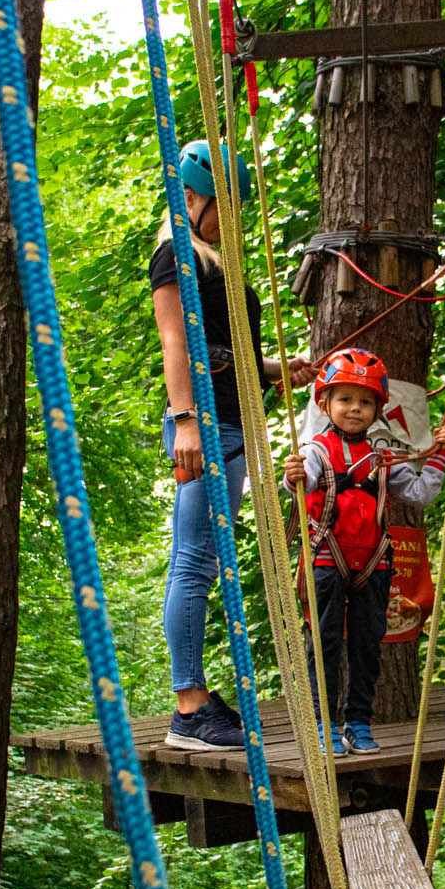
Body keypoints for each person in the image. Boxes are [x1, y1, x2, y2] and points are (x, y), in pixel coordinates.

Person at [153, 139, 314, 750]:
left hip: (230, 423)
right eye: (226, 205)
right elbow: (178, 344)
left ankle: (194, 695)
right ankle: (188, 708)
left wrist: (277, 368)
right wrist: (186, 420)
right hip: (206, 425)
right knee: (193, 559)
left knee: (205, 559)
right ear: (192, 197)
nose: (233, 217)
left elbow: (226, 349)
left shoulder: (214, 261)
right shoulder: (177, 255)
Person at [281, 348, 445, 754]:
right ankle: (324, 723)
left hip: (373, 561)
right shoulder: (316, 451)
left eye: (365, 402)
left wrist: (440, 454)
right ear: (325, 403)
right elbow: (302, 482)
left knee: (367, 643)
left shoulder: (383, 456)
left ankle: (358, 722)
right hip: (328, 557)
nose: (354, 409)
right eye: (345, 400)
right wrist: (293, 478)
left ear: (378, 410)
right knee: (324, 642)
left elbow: (419, 492)